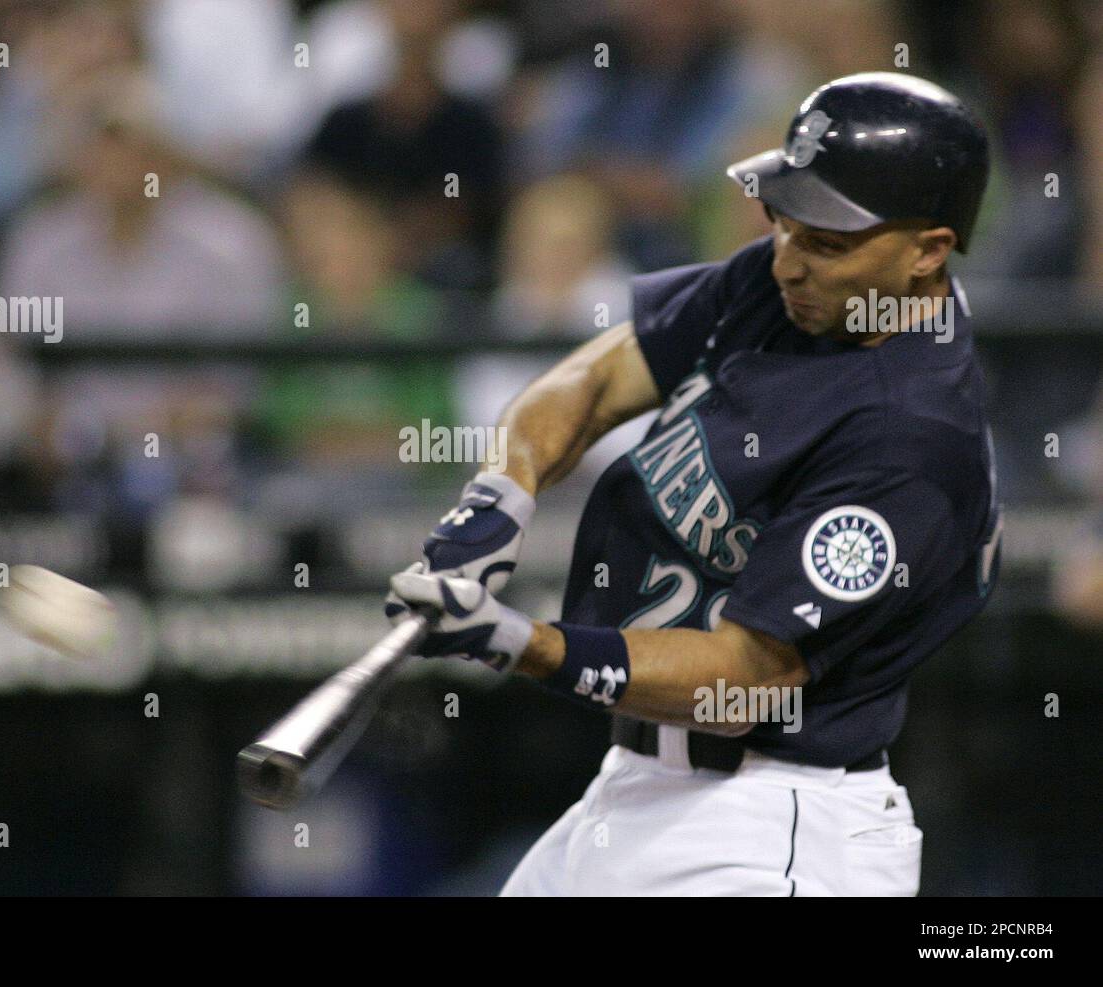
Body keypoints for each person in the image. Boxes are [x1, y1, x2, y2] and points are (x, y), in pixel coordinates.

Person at [386, 72, 1002, 896]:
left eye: (826, 238)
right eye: (784, 221)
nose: (787, 257)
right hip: (636, 785)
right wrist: (504, 488)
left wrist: (521, 643)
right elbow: (603, 375)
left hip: (769, 820)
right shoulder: (802, 287)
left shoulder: (914, 434)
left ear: (928, 250)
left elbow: (744, 681)